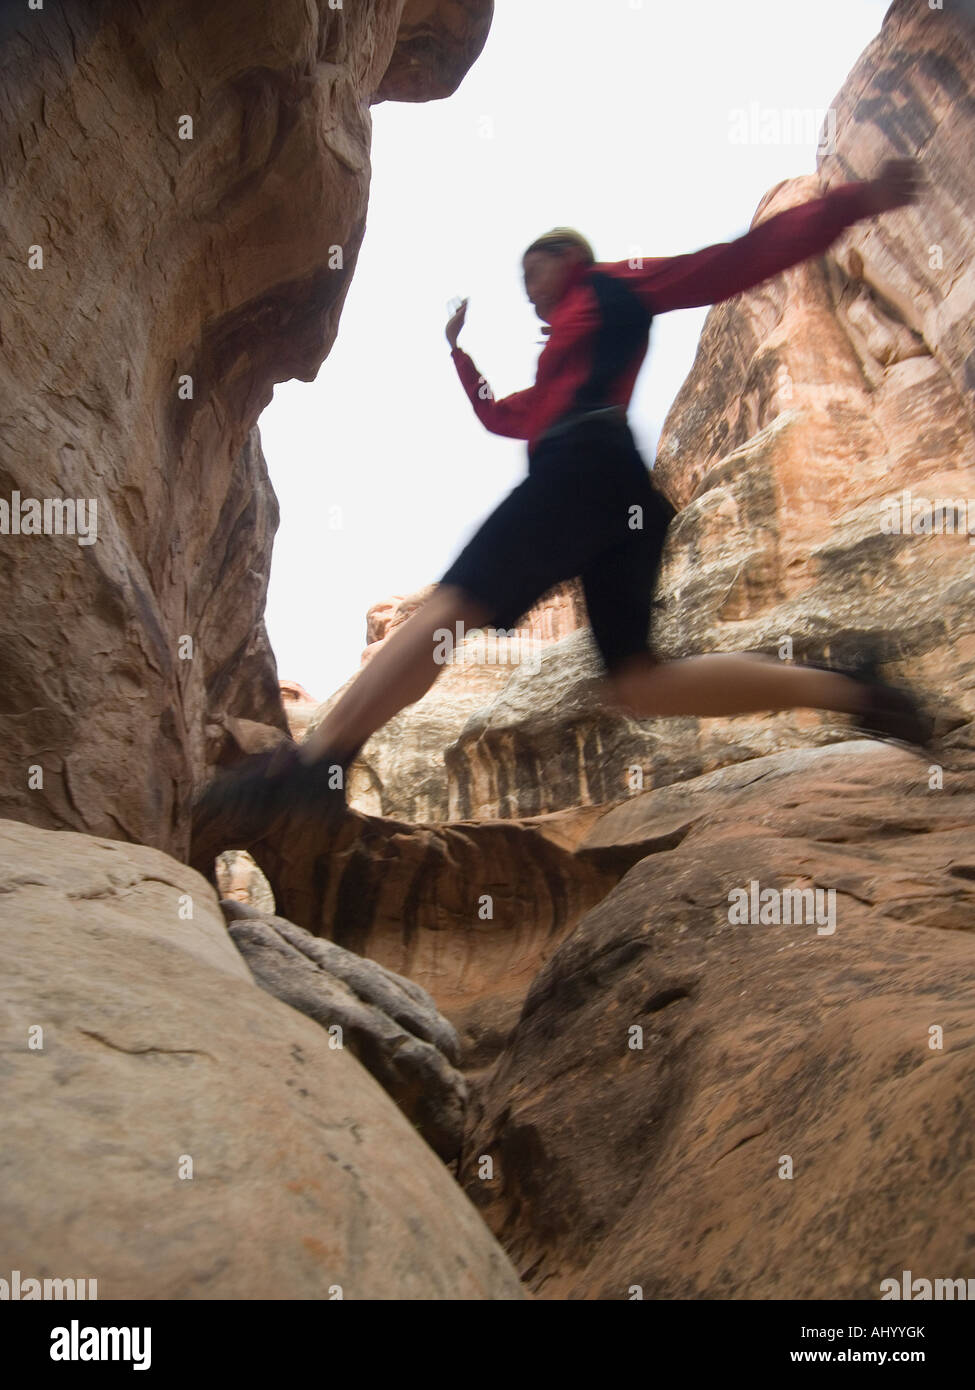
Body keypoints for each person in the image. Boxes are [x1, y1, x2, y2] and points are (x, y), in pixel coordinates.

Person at [195, 158, 933, 831]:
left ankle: (317, 763)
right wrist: (459, 353)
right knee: (639, 683)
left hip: (584, 469)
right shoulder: (557, 367)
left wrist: (848, 204)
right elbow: (499, 416)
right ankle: (855, 691)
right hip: (617, 498)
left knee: (455, 605)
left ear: (564, 258)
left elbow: (728, 265)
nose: (531, 294)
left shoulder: (611, 284)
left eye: (533, 276)